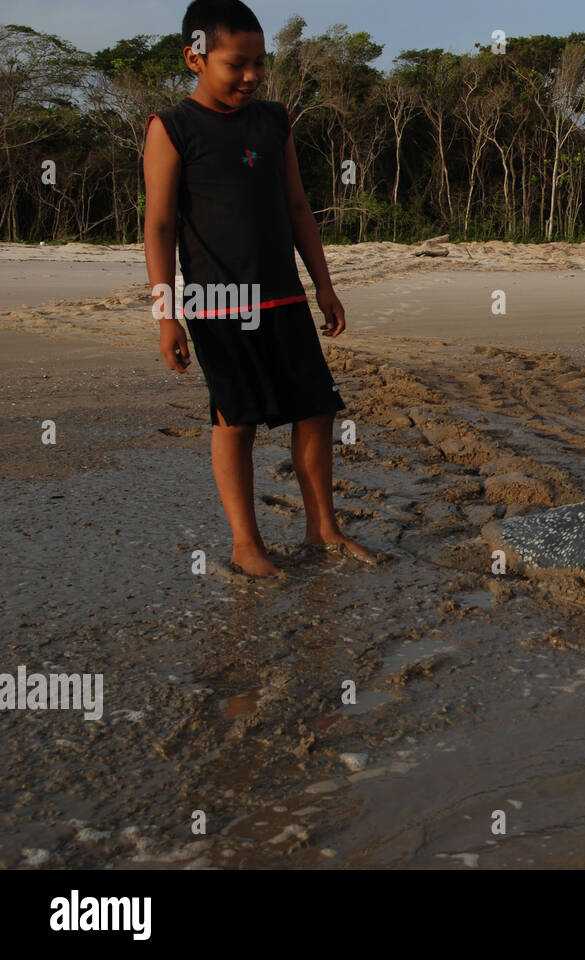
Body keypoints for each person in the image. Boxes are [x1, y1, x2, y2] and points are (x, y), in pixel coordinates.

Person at [144, 0, 377, 578]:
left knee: (317, 410)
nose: (251, 75)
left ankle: (323, 528)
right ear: (194, 57)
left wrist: (324, 286)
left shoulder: (275, 121)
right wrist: (166, 311)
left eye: (259, 63)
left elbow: (298, 207)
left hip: (283, 296)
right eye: (236, 63)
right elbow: (160, 224)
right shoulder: (172, 127)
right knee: (236, 419)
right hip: (217, 304)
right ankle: (245, 544)